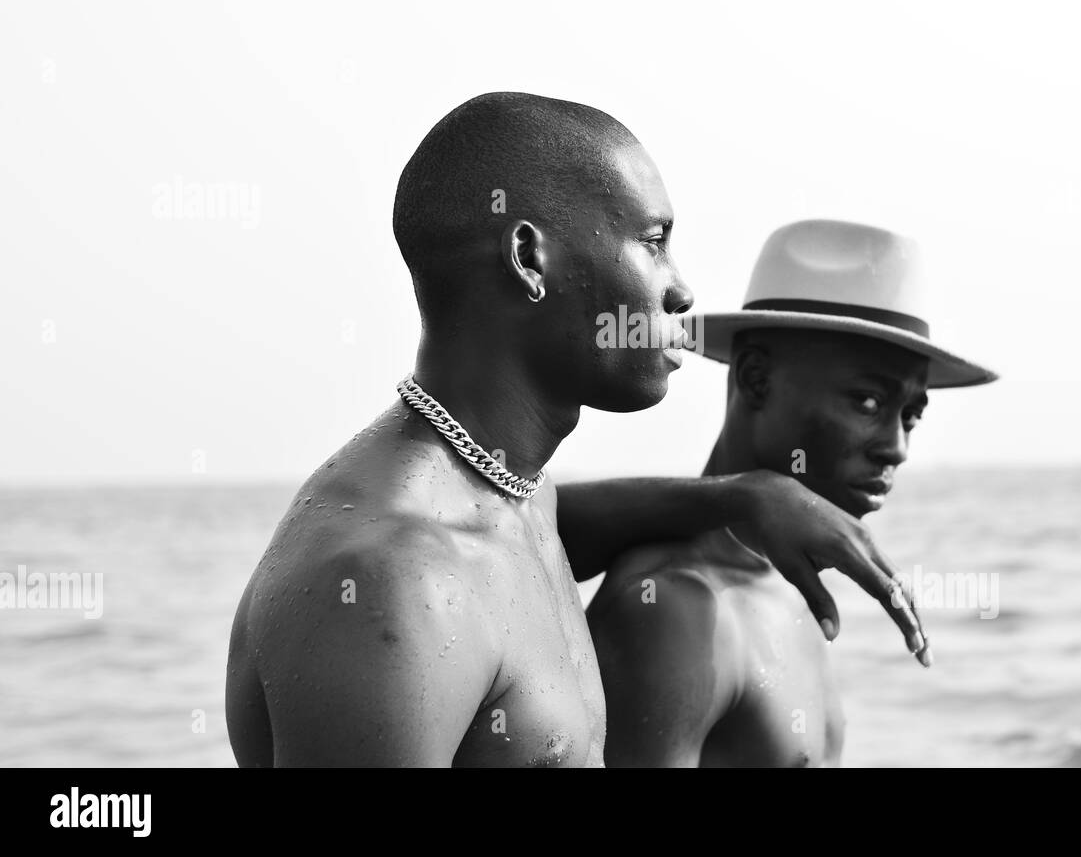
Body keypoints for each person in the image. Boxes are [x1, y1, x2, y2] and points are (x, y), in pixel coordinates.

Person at [225, 96, 928, 767]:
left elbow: (559, 524)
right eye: (654, 243)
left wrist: (744, 497)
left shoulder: (513, 501)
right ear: (530, 259)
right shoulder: (396, 584)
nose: (682, 291)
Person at [586, 220, 999, 766]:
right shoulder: (676, 610)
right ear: (756, 378)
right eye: (869, 402)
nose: (896, 448)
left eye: (911, 415)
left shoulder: (783, 583)